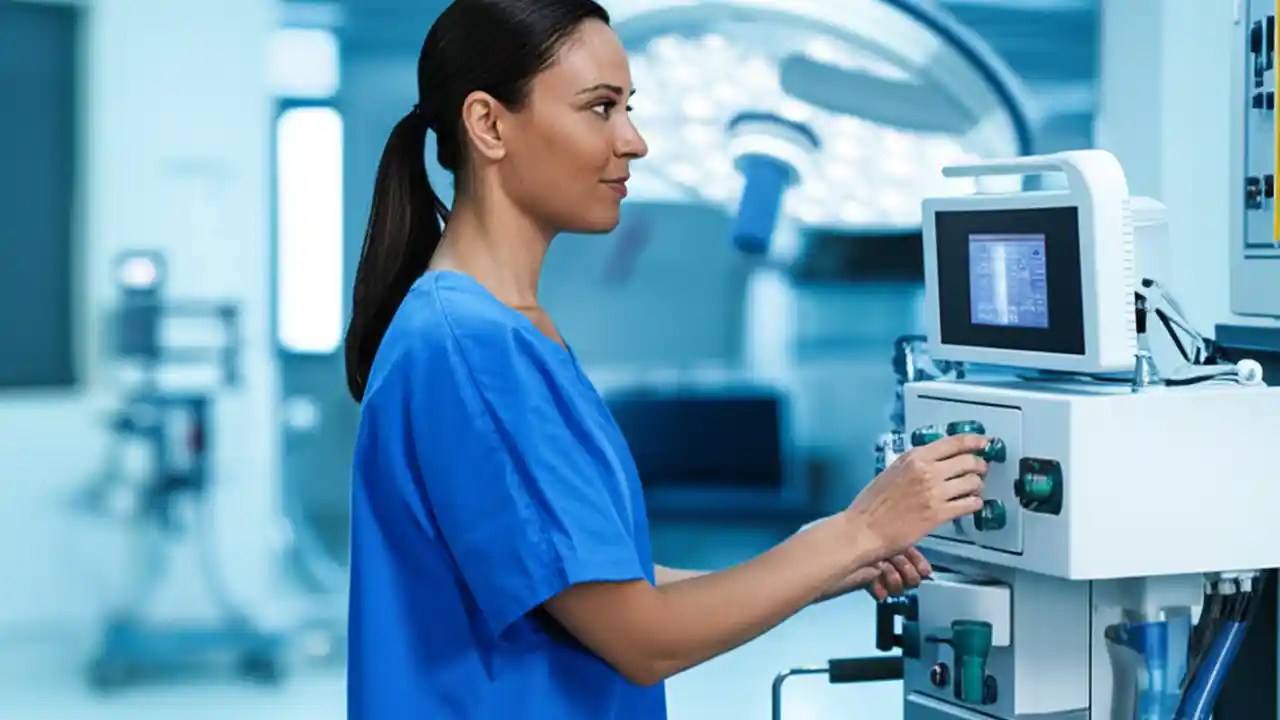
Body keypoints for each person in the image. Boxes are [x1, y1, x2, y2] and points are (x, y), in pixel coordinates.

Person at [342, 1, 989, 718]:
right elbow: (641, 638)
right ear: (489, 124)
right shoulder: (473, 352)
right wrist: (857, 529)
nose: (635, 141)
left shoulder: (496, 332)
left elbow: (608, 583)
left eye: (630, 108)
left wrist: (828, 559)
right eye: (600, 108)